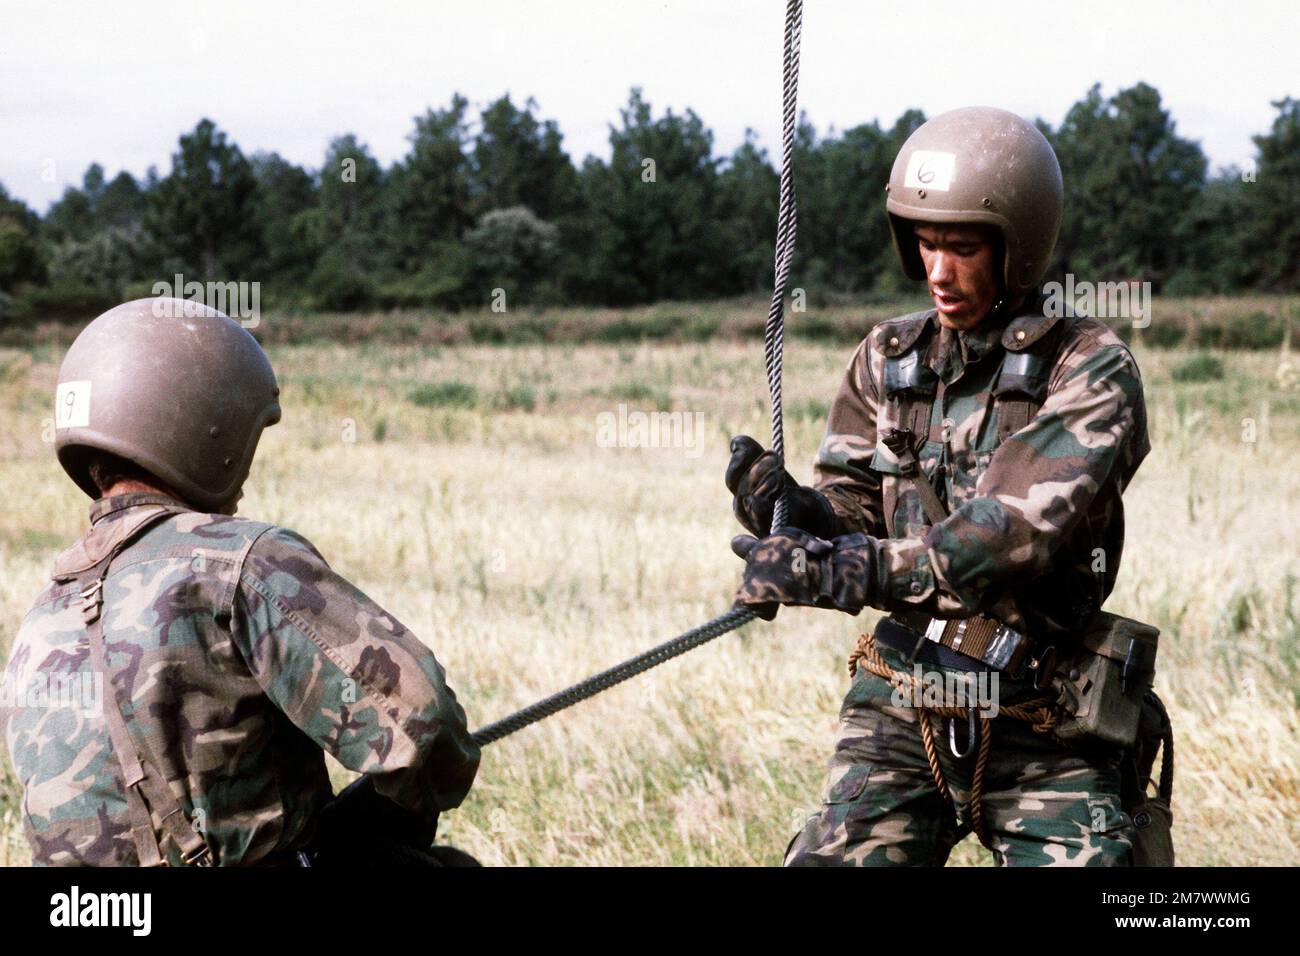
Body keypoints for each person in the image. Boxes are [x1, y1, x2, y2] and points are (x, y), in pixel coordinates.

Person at [727, 107, 1166, 866]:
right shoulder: (889, 356)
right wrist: (799, 513)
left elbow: (1006, 537)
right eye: (926, 243)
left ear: (1018, 246)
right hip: (902, 697)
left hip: (1045, 713)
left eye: (963, 247)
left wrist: (846, 569)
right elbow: (855, 505)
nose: (939, 270)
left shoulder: (1091, 368)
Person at [0, 298, 480, 866]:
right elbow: (422, 724)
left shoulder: (43, 614)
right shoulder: (242, 562)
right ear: (207, 431)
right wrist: (382, 824)